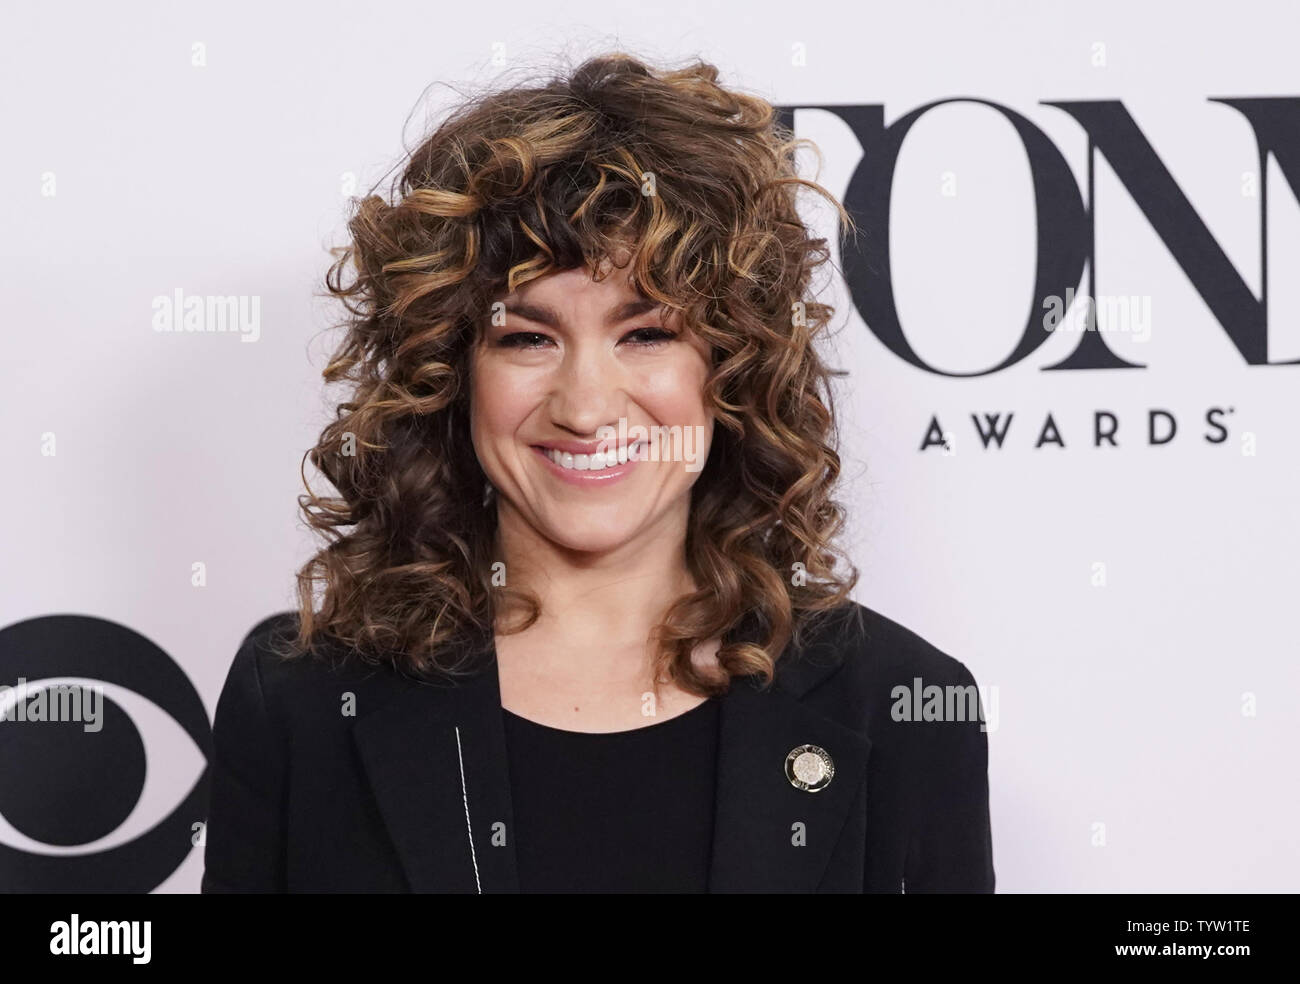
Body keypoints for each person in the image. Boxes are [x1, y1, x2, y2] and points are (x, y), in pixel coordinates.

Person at [201, 51, 994, 893]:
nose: (584, 405)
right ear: (450, 372)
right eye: (526, 337)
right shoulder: (301, 697)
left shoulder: (904, 703)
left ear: (731, 369)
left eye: (646, 334)